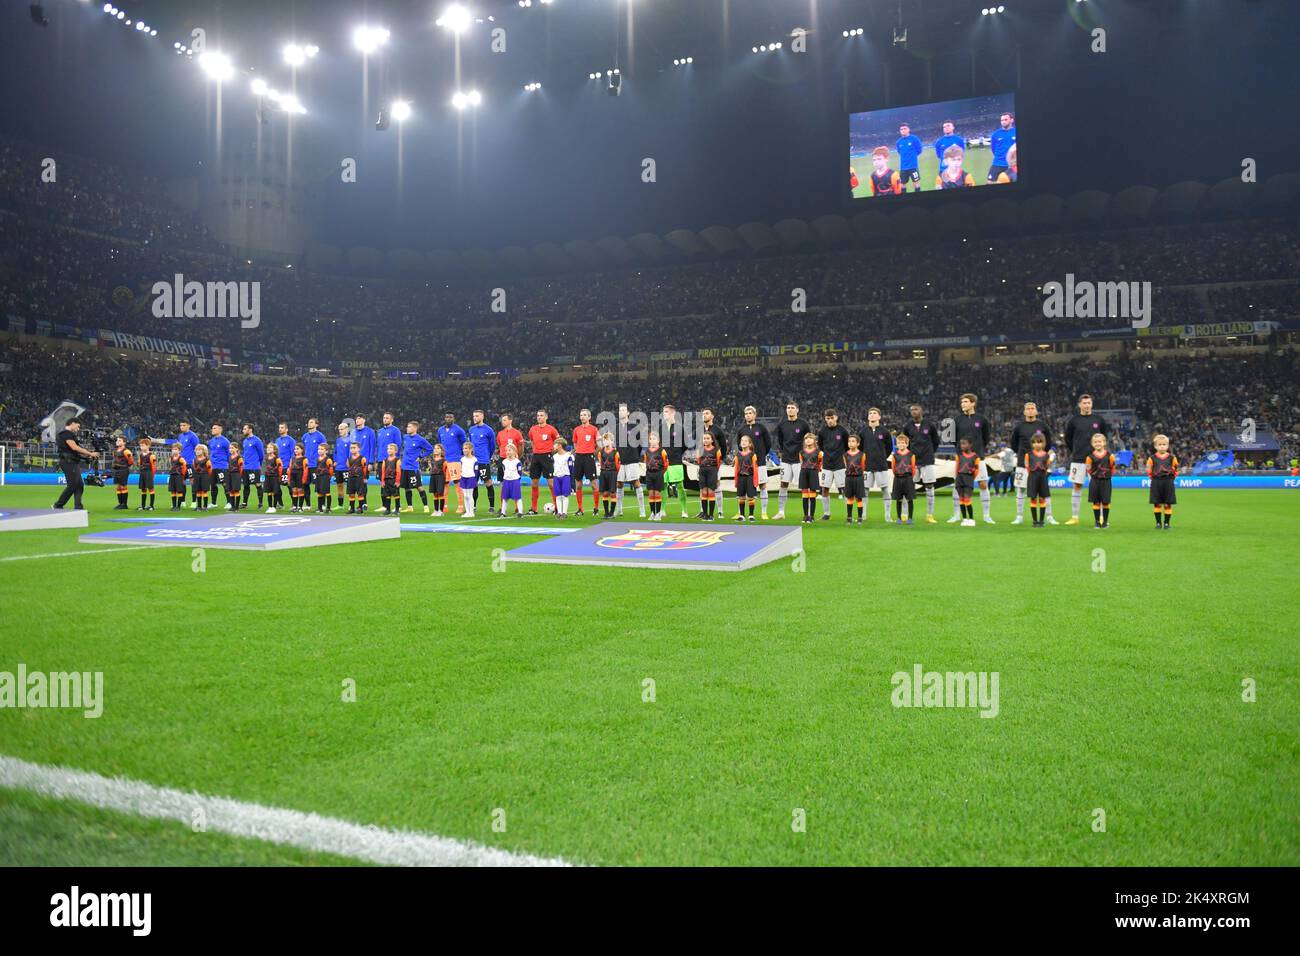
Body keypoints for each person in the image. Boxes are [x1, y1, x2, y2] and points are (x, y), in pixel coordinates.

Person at [1063, 394, 1108, 525]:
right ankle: (1075, 517)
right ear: (1079, 405)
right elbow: (1068, 438)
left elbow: (1104, 437)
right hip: (1079, 458)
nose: (1087, 405)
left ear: (1092, 404)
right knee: (1077, 486)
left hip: (1096, 460)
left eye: (1089, 403)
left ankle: (1100, 517)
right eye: (1084, 403)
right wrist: (1075, 450)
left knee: (1097, 488)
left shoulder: (1099, 420)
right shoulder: (1074, 420)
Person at [950, 393, 994, 524]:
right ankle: (956, 515)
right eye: (962, 402)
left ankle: (986, 515)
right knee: (957, 487)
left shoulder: (982, 420)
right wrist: (961, 452)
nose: (963, 404)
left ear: (973, 403)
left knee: (983, 484)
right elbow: (953, 440)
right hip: (961, 459)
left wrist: (977, 450)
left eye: (966, 402)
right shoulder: (957, 420)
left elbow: (986, 438)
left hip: (978, 458)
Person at [1009, 402, 1056, 525]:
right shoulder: (1019, 426)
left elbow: (1049, 442)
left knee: (1044, 491)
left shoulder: (1043, 426)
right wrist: (1021, 454)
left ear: (1036, 411)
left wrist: (1041, 457)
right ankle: (1019, 516)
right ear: (1024, 412)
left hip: (1040, 464)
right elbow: (1013, 443)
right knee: (1021, 489)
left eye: (1032, 408)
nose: (1030, 411)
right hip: (1022, 463)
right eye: (1028, 409)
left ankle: (1049, 516)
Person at [902, 404, 940, 523]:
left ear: (921, 411)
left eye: (916, 409)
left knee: (929, 486)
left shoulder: (930, 425)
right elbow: (905, 442)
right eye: (912, 410)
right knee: (908, 487)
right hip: (912, 461)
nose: (914, 411)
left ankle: (930, 515)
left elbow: (936, 441)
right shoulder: (908, 426)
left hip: (927, 460)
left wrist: (929, 452)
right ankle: (904, 514)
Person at [774, 401, 811, 520]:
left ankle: (807, 513)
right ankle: (781, 512)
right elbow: (780, 440)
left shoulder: (803, 424)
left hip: (799, 459)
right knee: (783, 484)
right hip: (786, 459)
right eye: (788, 408)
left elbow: (809, 439)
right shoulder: (782, 424)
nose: (790, 409)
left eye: (792, 408)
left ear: (797, 410)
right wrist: (783, 451)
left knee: (804, 485)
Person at [737, 405, 774, 519]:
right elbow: (740, 445)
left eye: (750, 413)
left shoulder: (761, 428)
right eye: (746, 413)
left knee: (762, 486)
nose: (748, 415)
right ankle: (740, 513)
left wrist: (761, 455)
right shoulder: (741, 429)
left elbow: (768, 444)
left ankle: (764, 512)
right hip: (745, 465)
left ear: (755, 414)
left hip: (760, 463)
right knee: (742, 488)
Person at [860, 408, 893, 522]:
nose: (872, 415)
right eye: (870, 413)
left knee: (885, 489)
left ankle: (887, 515)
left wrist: (881, 457)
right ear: (868, 417)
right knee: (864, 490)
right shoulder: (863, 432)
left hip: (881, 465)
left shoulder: (885, 432)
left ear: (879, 417)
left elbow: (889, 448)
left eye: (875, 413)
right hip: (867, 466)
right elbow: (860, 449)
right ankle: (863, 515)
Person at [817, 408, 849, 520]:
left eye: (832, 418)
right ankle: (826, 513)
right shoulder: (822, 432)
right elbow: (821, 446)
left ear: (836, 417)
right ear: (825, 419)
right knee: (825, 488)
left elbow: (846, 446)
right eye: (827, 418)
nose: (830, 420)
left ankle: (848, 514)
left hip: (840, 464)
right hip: (827, 465)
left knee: (845, 489)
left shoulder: (843, 431)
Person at [616, 404, 646, 518]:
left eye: (623, 410)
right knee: (619, 484)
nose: (621, 412)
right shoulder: (617, 427)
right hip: (620, 460)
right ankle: (619, 509)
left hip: (632, 458)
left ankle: (642, 510)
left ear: (628, 413)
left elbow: (640, 443)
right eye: (620, 410)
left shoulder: (634, 426)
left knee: (636, 482)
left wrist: (635, 455)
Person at [527, 409, 558, 515]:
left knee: (551, 484)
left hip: (547, 456)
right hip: (536, 457)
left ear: (546, 417)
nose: (539, 417)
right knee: (534, 483)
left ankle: (557, 507)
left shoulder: (551, 429)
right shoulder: (533, 429)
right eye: (538, 415)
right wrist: (536, 450)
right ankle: (533, 508)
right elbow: (532, 441)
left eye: (541, 415)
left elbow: (558, 442)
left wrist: (551, 451)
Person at [699, 408, 729, 517]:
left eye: (707, 413)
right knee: (702, 487)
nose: (704, 415)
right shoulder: (699, 430)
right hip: (702, 463)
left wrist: (720, 460)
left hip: (714, 463)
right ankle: (703, 511)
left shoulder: (717, 430)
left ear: (712, 416)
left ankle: (720, 511)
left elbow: (724, 447)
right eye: (703, 414)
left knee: (716, 485)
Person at [571, 408, 599, 516]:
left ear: (589, 417)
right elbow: (575, 443)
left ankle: (596, 508)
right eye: (581, 415)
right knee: (578, 484)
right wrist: (578, 451)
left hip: (589, 457)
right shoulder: (576, 430)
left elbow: (599, 444)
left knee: (593, 484)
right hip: (579, 457)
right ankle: (580, 509)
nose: (582, 416)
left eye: (584, 415)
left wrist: (593, 453)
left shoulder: (594, 429)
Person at [1146, 434, 1179, 529]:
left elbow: (1176, 469)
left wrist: (1172, 478)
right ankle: (1158, 523)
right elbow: (1149, 470)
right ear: (1155, 446)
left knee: (1168, 503)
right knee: (1157, 503)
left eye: (1164, 444)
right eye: (1159, 444)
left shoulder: (1172, 458)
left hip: (1168, 482)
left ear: (1167, 446)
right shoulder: (1151, 458)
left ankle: (1167, 523)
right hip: (1156, 482)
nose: (1162, 446)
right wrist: (1153, 478)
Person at [438, 413, 468, 514]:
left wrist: (461, 455)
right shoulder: (440, 430)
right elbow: (440, 444)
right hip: (444, 461)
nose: (448, 419)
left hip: (455, 459)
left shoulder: (459, 430)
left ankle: (460, 506)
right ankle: (444, 506)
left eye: (450, 417)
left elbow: (464, 443)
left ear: (454, 418)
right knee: (444, 483)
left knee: (457, 483)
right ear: (444, 418)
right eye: (447, 417)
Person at [468, 409, 497, 515]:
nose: (474, 418)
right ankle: (473, 506)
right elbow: (470, 444)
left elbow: (492, 446)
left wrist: (487, 457)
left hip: (483, 461)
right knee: (473, 483)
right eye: (473, 416)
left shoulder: (489, 430)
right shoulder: (471, 429)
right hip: (473, 461)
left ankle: (491, 506)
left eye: (476, 416)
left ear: (482, 417)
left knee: (488, 482)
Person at [401, 421, 434, 514]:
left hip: (413, 468)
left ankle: (426, 506)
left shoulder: (420, 439)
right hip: (404, 467)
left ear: (415, 428)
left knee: (419, 487)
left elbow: (430, 449)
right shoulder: (405, 437)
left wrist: (421, 456)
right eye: (407, 426)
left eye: (409, 427)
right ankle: (410, 507)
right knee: (407, 487)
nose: (407, 428)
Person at [495, 413, 524, 513]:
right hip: (503, 459)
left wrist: (517, 457)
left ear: (510, 421)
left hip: (513, 460)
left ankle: (517, 507)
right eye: (502, 420)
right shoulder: (500, 433)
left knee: (515, 485)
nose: (503, 422)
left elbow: (520, 446)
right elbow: (500, 445)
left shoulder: (517, 433)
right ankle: (502, 507)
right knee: (503, 485)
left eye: (504, 420)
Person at [1085, 433, 1115, 529]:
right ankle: (1097, 522)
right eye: (1095, 442)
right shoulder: (1089, 457)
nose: (1098, 444)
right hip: (1095, 481)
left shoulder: (1110, 456)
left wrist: (1107, 475)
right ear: (1092, 444)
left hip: (1106, 481)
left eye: (1100, 442)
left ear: (1104, 443)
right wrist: (1096, 475)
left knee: (1106, 502)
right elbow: (1088, 469)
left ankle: (1105, 522)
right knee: (1096, 502)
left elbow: (1112, 468)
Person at [888, 434, 917, 525]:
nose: (901, 444)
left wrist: (909, 477)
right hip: (898, 479)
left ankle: (910, 518)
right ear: (897, 444)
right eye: (899, 443)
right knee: (898, 499)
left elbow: (913, 468)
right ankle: (899, 518)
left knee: (910, 499)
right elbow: (893, 468)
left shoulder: (911, 455)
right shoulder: (895, 455)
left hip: (908, 478)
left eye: (903, 443)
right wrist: (898, 475)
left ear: (907, 444)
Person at [1024, 435, 1052, 528]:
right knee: (1033, 499)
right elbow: (1027, 466)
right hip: (1032, 478)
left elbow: (1047, 466)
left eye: (1039, 442)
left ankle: (1041, 521)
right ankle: (1035, 521)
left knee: (1042, 499)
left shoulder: (1046, 455)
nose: (1037, 444)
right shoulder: (1028, 455)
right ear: (1032, 444)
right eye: (1035, 442)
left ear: (1043, 443)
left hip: (1043, 479)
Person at [301, 417, 328, 510]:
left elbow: (324, 449)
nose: (309, 424)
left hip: (317, 465)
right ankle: (308, 505)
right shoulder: (304, 436)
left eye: (311, 422)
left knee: (319, 486)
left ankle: (322, 505)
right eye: (308, 422)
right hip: (306, 465)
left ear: (316, 425)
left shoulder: (320, 436)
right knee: (305, 485)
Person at [695, 431, 722, 522]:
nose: (705, 440)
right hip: (702, 472)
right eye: (704, 438)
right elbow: (698, 461)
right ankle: (705, 514)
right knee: (704, 493)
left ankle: (711, 515)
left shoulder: (716, 450)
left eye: (708, 438)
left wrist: (716, 475)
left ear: (712, 440)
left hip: (712, 472)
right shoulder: (700, 449)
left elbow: (718, 464)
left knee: (710, 493)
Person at [955, 438, 981, 527]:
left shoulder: (976, 457)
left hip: (968, 479)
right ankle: (965, 519)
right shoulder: (958, 456)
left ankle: (971, 519)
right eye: (961, 444)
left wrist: (970, 478)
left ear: (970, 445)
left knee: (967, 499)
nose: (962, 446)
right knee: (961, 499)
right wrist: (957, 478)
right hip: (959, 479)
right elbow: (956, 468)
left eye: (964, 444)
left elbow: (977, 471)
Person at [643, 435, 669, 521]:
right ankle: (652, 513)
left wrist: (661, 472)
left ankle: (658, 513)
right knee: (651, 494)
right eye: (650, 439)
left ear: (658, 441)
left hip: (658, 474)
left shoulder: (662, 451)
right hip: (649, 474)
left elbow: (666, 464)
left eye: (654, 439)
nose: (652, 440)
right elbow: (646, 462)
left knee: (657, 494)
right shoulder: (646, 451)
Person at [798, 433, 823, 524]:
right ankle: (805, 516)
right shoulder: (801, 452)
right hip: (804, 472)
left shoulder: (818, 452)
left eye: (810, 438)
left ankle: (811, 516)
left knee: (812, 494)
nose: (808, 440)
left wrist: (818, 469)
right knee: (804, 495)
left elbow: (820, 462)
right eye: (806, 438)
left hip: (813, 472)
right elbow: (801, 462)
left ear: (814, 440)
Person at [174, 420, 199, 507]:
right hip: (181, 463)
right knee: (182, 482)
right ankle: (182, 501)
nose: (182, 427)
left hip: (190, 463)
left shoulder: (193, 436)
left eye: (184, 425)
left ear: (188, 426)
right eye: (181, 425)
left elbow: (197, 448)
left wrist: (195, 460)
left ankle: (194, 502)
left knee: (192, 481)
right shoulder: (180, 436)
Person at [241, 423, 265, 510]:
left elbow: (261, 454)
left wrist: (258, 464)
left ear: (250, 430)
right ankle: (244, 503)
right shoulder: (245, 441)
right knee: (246, 485)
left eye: (245, 429)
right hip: (245, 467)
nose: (243, 430)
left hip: (254, 467)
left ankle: (260, 503)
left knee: (257, 484)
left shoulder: (257, 440)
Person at [843, 434, 867, 524]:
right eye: (849, 441)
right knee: (849, 498)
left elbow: (863, 466)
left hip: (858, 478)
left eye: (853, 441)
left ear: (858, 443)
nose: (850, 443)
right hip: (849, 478)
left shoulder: (862, 454)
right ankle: (849, 517)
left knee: (859, 498)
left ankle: (860, 517)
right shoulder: (845, 455)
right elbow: (846, 466)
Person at [988, 111, 1016, 183]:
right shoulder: (995, 134)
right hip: (997, 163)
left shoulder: (1016, 132)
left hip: (1011, 165)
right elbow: (993, 149)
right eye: (1002, 120)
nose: (1003, 122)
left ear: (1011, 120)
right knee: (989, 182)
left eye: (1005, 120)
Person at [596, 434, 620, 520]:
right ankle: (606, 513)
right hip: (603, 473)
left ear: (612, 441)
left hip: (612, 473)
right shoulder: (601, 452)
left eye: (608, 440)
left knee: (613, 493)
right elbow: (600, 463)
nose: (606, 441)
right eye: (604, 440)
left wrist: (615, 475)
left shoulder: (615, 453)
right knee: (605, 493)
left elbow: (618, 466)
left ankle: (611, 513)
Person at [208, 424, 232, 509]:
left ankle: (229, 502)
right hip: (212, 467)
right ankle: (214, 503)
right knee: (213, 485)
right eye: (212, 428)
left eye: (215, 428)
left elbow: (229, 454)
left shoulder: (225, 441)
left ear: (220, 429)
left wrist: (228, 464)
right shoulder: (211, 441)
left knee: (225, 484)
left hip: (222, 466)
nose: (212, 429)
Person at [896, 123, 923, 193]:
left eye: (905, 128)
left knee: (916, 183)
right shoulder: (898, 142)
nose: (903, 130)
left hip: (913, 167)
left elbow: (919, 150)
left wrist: (912, 157)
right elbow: (899, 152)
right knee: (902, 184)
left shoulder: (914, 139)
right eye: (901, 129)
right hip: (903, 168)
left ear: (908, 129)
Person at [501, 443, 525, 517]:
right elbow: (504, 471)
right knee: (505, 498)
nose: (508, 452)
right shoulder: (504, 462)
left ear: (514, 451)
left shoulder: (517, 462)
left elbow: (519, 472)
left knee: (517, 497)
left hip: (515, 481)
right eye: (507, 450)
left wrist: (517, 479)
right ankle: (503, 512)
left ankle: (520, 512)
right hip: (506, 481)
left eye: (510, 450)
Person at [551, 437, 573, 518]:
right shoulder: (554, 456)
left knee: (564, 495)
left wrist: (568, 475)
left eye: (555, 444)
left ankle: (564, 512)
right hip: (556, 477)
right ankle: (559, 512)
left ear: (560, 446)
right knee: (558, 495)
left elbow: (571, 468)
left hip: (565, 477)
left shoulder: (568, 456)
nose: (554, 446)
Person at [111, 436, 134, 509]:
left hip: (123, 470)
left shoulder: (126, 451)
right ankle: (120, 503)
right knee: (118, 486)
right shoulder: (114, 451)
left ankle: (124, 504)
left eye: (120, 440)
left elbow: (131, 461)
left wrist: (124, 466)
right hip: (116, 470)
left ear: (124, 442)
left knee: (123, 486)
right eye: (117, 440)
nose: (117, 441)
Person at [378, 443, 402, 515]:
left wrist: (397, 481)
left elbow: (398, 471)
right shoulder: (385, 460)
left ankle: (397, 509)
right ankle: (387, 509)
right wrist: (382, 481)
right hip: (386, 480)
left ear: (396, 451)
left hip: (394, 480)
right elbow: (383, 471)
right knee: (387, 495)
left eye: (391, 449)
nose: (389, 450)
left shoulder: (397, 460)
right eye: (388, 449)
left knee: (396, 494)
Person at [333, 423, 352, 508]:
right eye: (339, 429)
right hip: (338, 467)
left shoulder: (350, 440)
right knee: (339, 485)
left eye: (342, 429)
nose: (340, 431)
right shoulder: (338, 440)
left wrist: (349, 461)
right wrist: (335, 460)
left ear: (347, 429)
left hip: (346, 467)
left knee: (349, 486)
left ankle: (350, 504)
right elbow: (335, 452)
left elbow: (351, 452)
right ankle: (340, 504)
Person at [346, 442, 368, 514]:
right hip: (351, 478)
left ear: (359, 449)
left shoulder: (362, 458)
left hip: (359, 478)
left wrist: (365, 478)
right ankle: (352, 508)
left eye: (354, 448)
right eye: (351, 448)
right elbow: (349, 467)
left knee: (360, 493)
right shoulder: (349, 459)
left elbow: (365, 469)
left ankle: (360, 508)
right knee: (351, 493)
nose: (352, 449)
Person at [287, 444, 310, 513]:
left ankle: (300, 507)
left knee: (300, 491)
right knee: (294, 490)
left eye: (298, 449)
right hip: (293, 476)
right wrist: (288, 478)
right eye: (295, 449)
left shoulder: (304, 459)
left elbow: (306, 470)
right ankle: (294, 506)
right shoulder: (292, 459)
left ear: (302, 450)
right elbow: (290, 469)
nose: (296, 450)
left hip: (300, 475)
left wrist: (304, 479)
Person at [459, 441, 479, 519]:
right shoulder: (462, 459)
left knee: (470, 495)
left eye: (466, 448)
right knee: (465, 496)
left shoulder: (474, 459)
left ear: (471, 449)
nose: (464, 450)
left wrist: (475, 479)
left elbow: (476, 470)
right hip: (463, 477)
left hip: (471, 478)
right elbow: (461, 468)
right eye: (463, 448)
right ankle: (467, 512)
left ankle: (471, 512)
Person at [429, 443, 449, 516]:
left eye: (438, 448)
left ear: (441, 450)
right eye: (435, 448)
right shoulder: (432, 460)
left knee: (440, 493)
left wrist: (446, 479)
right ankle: (435, 510)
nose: (436, 450)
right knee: (435, 494)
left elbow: (446, 470)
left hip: (440, 477)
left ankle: (441, 511)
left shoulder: (444, 460)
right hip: (433, 477)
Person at [136, 437, 157, 511]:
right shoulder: (141, 455)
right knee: (143, 489)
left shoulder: (152, 456)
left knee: (150, 489)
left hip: (149, 473)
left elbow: (154, 466)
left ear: (148, 446)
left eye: (143, 445)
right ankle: (143, 505)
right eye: (140, 445)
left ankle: (151, 506)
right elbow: (140, 464)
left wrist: (152, 475)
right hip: (142, 473)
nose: (141, 447)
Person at [167, 443, 188, 511]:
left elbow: (185, 467)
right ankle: (173, 506)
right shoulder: (171, 458)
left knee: (179, 491)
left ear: (179, 450)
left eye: (176, 449)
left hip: (178, 476)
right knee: (173, 491)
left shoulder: (181, 459)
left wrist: (182, 475)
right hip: (172, 475)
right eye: (173, 449)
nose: (174, 451)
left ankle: (178, 506)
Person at [192, 443, 213, 511]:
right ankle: (199, 506)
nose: (198, 451)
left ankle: (205, 506)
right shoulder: (195, 460)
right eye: (196, 450)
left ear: (203, 451)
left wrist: (208, 476)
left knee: (204, 491)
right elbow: (194, 468)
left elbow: (209, 469)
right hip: (197, 476)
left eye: (199, 450)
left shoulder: (207, 460)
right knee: (198, 491)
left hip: (204, 476)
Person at [263, 444, 283, 513]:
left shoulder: (277, 459)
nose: (268, 448)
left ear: (274, 450)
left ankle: (274, 507)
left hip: (275, 477)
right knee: (269, 492)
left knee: (275, 492)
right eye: (267, 447)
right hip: (268, 477)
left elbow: (280, 468)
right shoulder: (266, 457)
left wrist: (279, 478)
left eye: (270, 447)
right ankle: (270, 507)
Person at [314, 445, 334, 514]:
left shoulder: (328, 460)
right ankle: (320, 508)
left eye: (322, 449)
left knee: (326, 492)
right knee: (319, 492)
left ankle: (328, 508)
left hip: (325, 477)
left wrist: (329, 477)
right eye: (319, 449)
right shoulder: (317, 459)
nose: (320, 450)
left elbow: (331, 470)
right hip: (318, 477)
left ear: (326, 451)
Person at [223, 442, 239, 512]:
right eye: (230, 448)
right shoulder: (229, 457)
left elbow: (241, 467)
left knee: (236, 490)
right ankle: (232, 507)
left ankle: (237, 508)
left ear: (237, 449)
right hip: (229, 475)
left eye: (232, 448)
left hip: (236, 474)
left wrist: (238, 475)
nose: (231, 449)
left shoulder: (239, 457)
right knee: (231, 491)